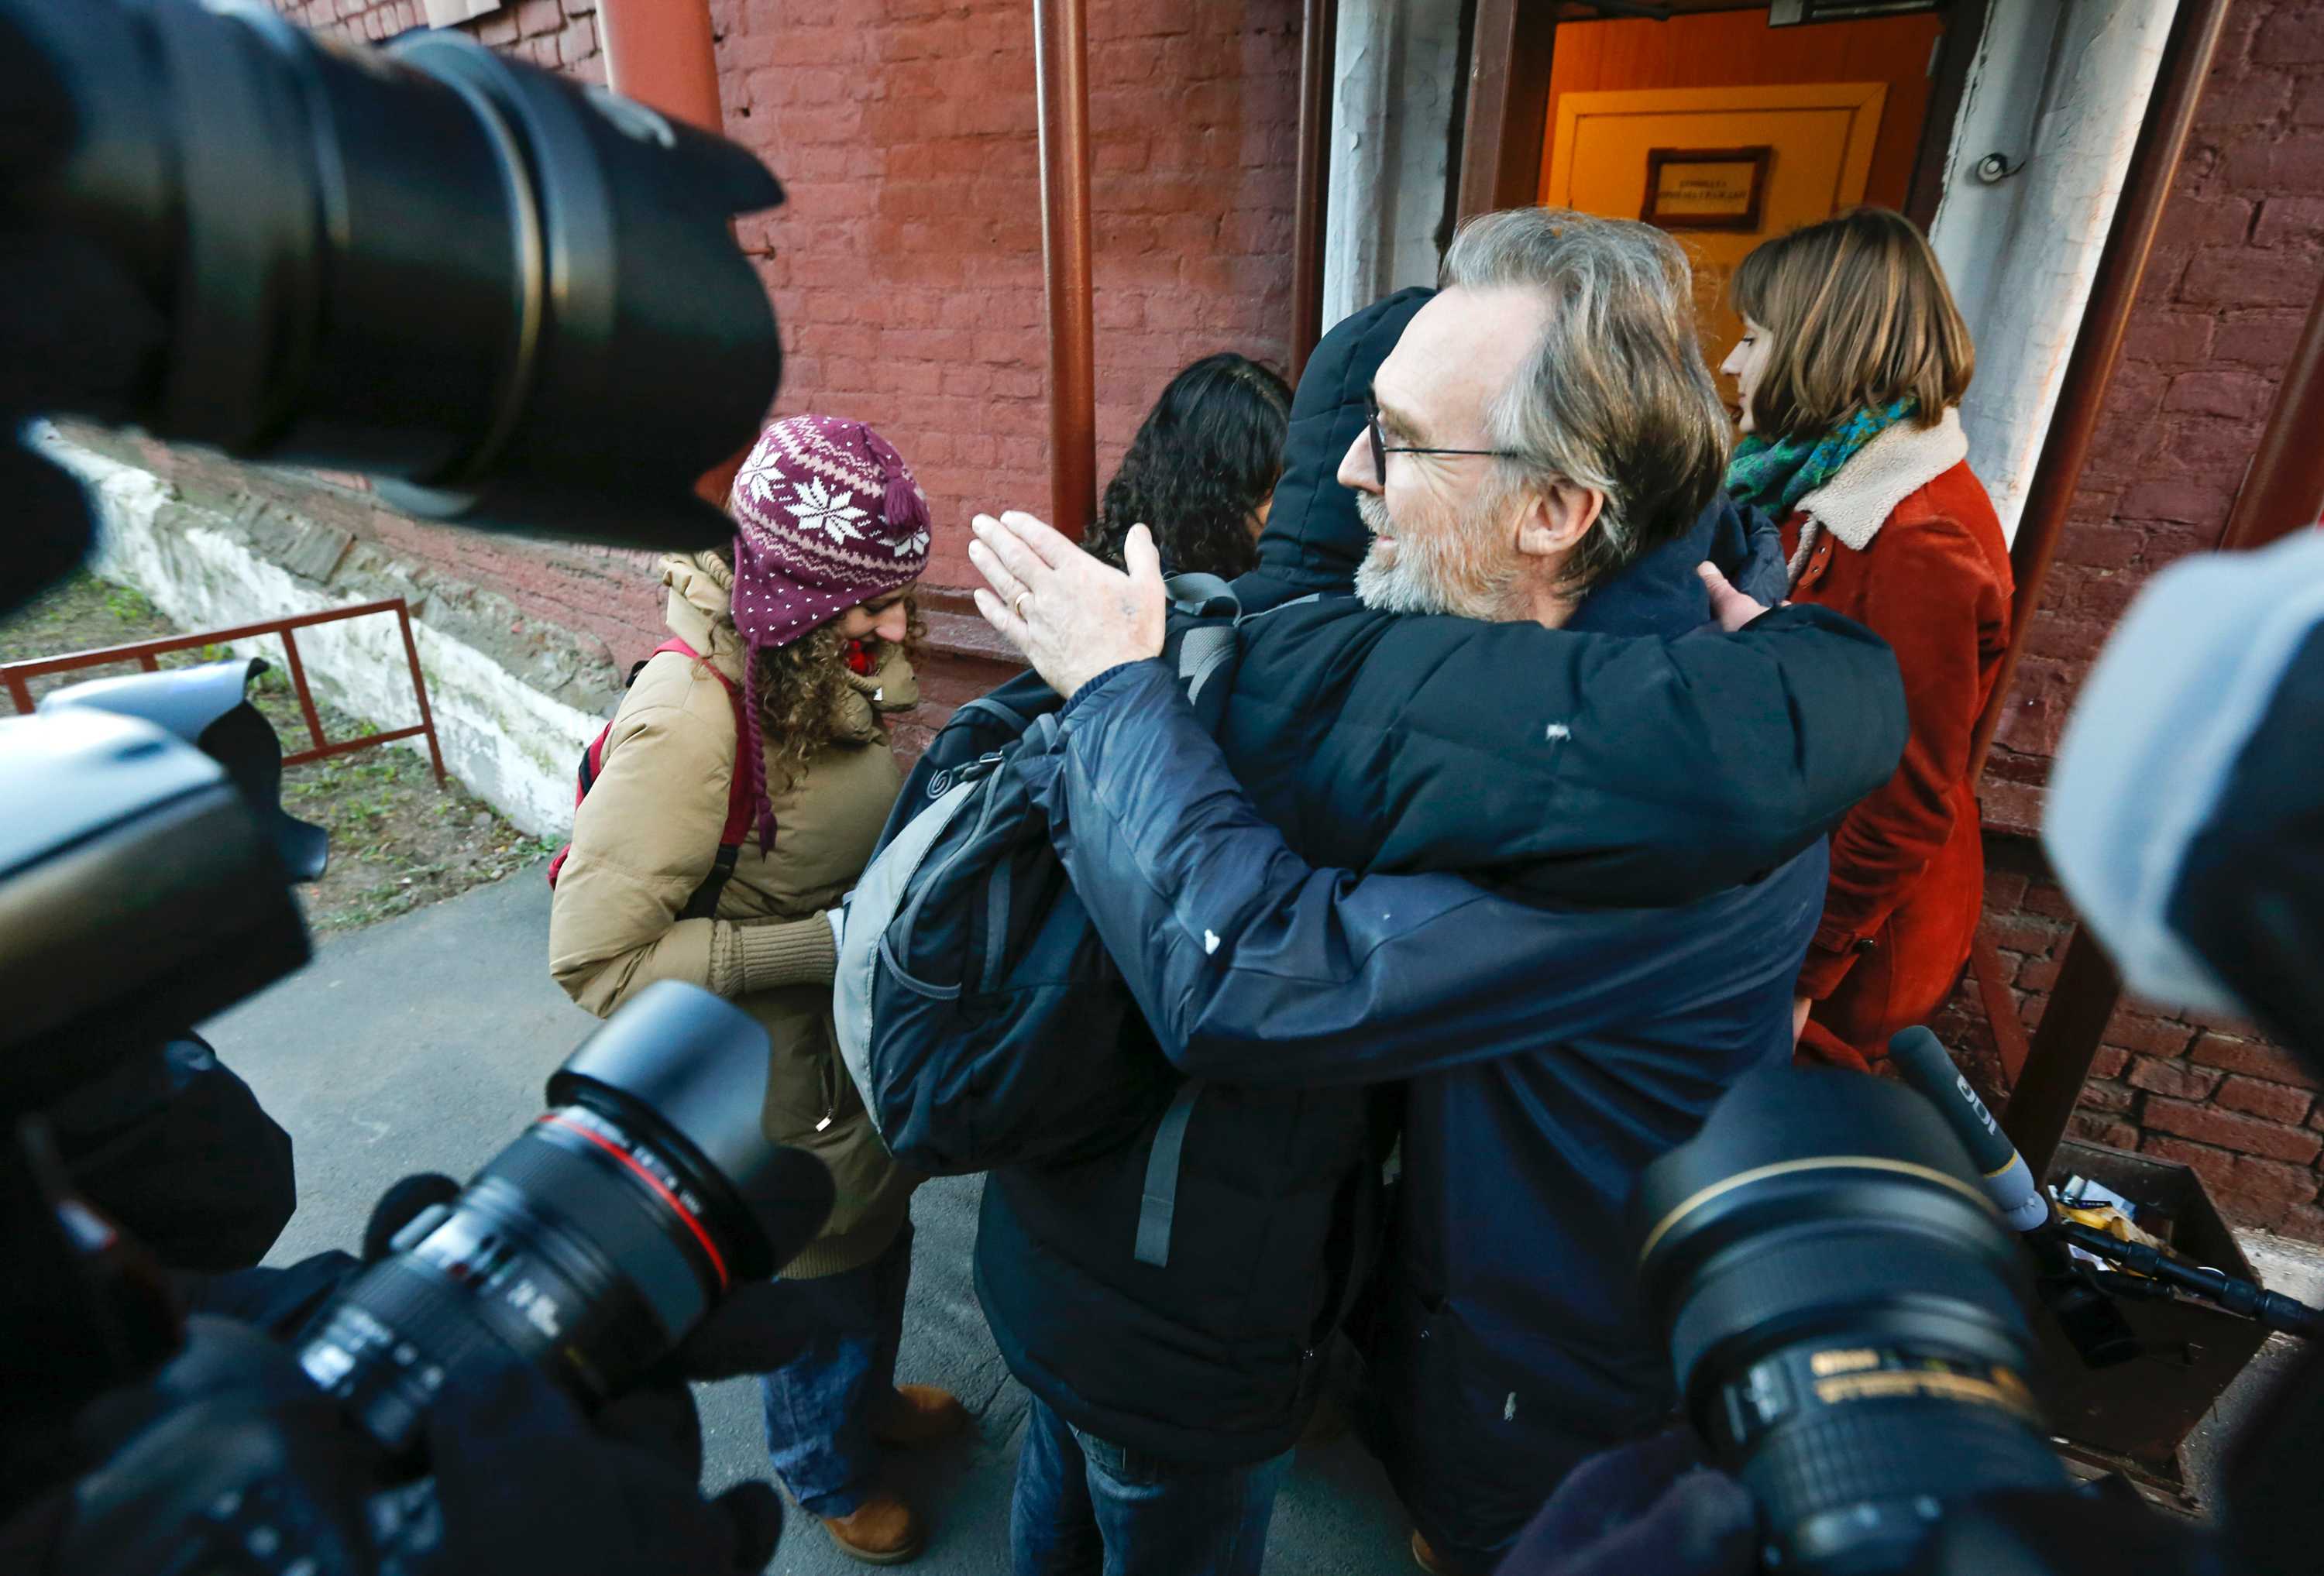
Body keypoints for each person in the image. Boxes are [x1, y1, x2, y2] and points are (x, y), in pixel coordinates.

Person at [961, 209, 1907, 1575]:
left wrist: (1117, 697)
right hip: (1460, 1345)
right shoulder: (1586, 675)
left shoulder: (1667, 808)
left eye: (1397, 438)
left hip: (1557, 1409)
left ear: (1556, 511)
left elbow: (1258, 978)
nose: (1347, 467)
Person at [547, 414, 964, 1566]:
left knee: (877, 1253)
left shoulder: (814, 658)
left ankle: (864, 1400)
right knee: (820, 1289)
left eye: (898, 597)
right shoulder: (688, 721)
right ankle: (826, 1470)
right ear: (782, 596)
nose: (891, 624)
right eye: (865, 607)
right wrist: (822, 943)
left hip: (850, 1070)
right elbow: (596, 961)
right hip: (779, 1093)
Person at [1717, 208, 2010, 1074]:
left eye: (1755, 336)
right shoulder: (1819, 480)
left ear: (1822, 345)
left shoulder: (1918, 536)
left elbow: (1903, 791)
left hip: (1841, 945)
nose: (1734, 360)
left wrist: (1802, 969)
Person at [1081, 352, 1291, 579]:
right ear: (1218, 493)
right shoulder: (1137, 586)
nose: (1288, 508)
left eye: (1290, 481)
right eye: (1271, 489)